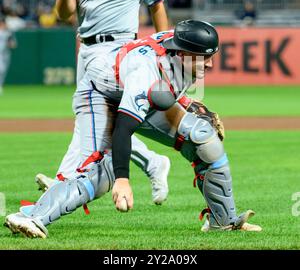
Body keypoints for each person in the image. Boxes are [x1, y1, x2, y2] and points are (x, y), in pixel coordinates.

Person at [5, 20, 262, 238]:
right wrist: (123, 180)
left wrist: (186, 103)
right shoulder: (145, 73)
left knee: (204, 139)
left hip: (135, 91)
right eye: (204, 58)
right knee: (102, 173)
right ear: (183, 53)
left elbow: (165, 89)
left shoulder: (183, 47)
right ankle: (31, 217)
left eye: (211, 56)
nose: (210, 64)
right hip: (100, 95)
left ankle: (223, 222)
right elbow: (124, 130)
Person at [35, 0, 171, 205]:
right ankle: (151, 163)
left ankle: (66, 179)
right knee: (90, 117)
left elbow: (157, 4)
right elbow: (63, 15)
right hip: (86, 48)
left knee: (94, 117)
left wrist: (164, 50)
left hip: (121, 49)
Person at [0, 16, 17, 95]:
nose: (3, 24)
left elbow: (13, 44)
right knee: (1, 69)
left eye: (3, 23)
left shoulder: (8, 33)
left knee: (3, 71)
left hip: (5, 54)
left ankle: (1, 86)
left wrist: (10, 43)